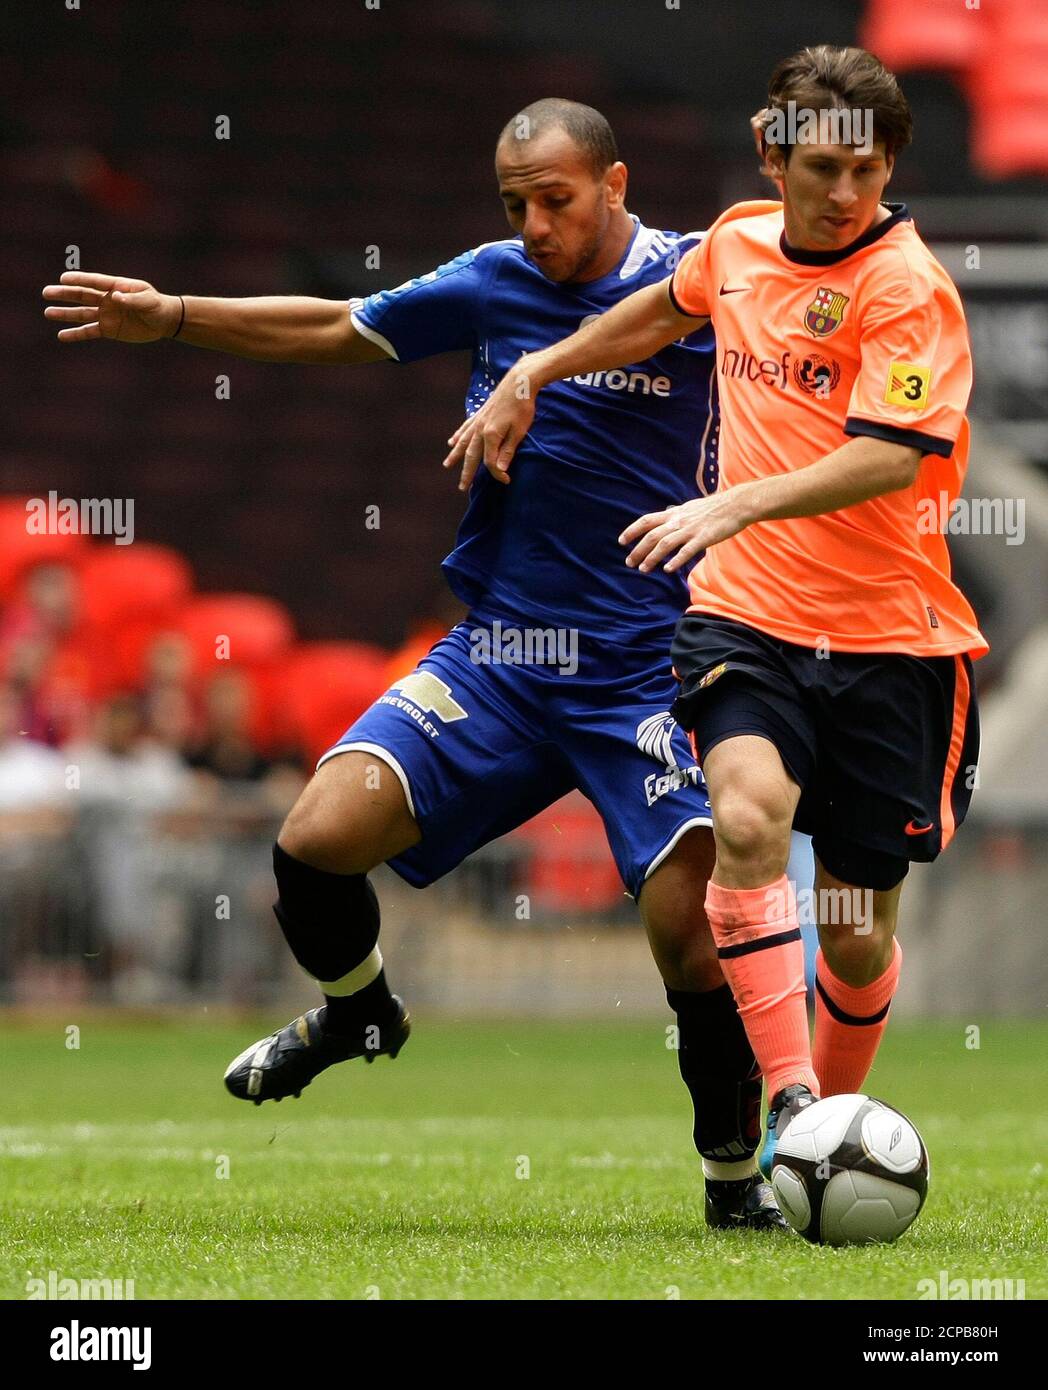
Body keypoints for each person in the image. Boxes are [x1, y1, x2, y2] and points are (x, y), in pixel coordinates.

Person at [43, 98, 784, 1229]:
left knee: (689, 924)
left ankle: (733, 1181)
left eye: (557, 200)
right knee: (315, 841)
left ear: (616, 183)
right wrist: (177, 313)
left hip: (648, 668)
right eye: (515, 204)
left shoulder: (696, 283)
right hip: (499, 656)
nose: (535, 225)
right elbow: (339, 326)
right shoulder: (493, 280)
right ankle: (357, 1011)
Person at [444, 53, 986, 1175]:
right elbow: (653, 313)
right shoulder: (735, 243)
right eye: (823, 167)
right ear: (771, 153)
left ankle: (821, 1136)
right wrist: (535, 368)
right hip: (746, 615)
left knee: (852, 922)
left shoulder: (905, 286)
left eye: (866, 171)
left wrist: (730, 499)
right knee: (743, 821)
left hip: (889, 638)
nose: (845, 194)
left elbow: (888, 459)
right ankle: (788, 1101)